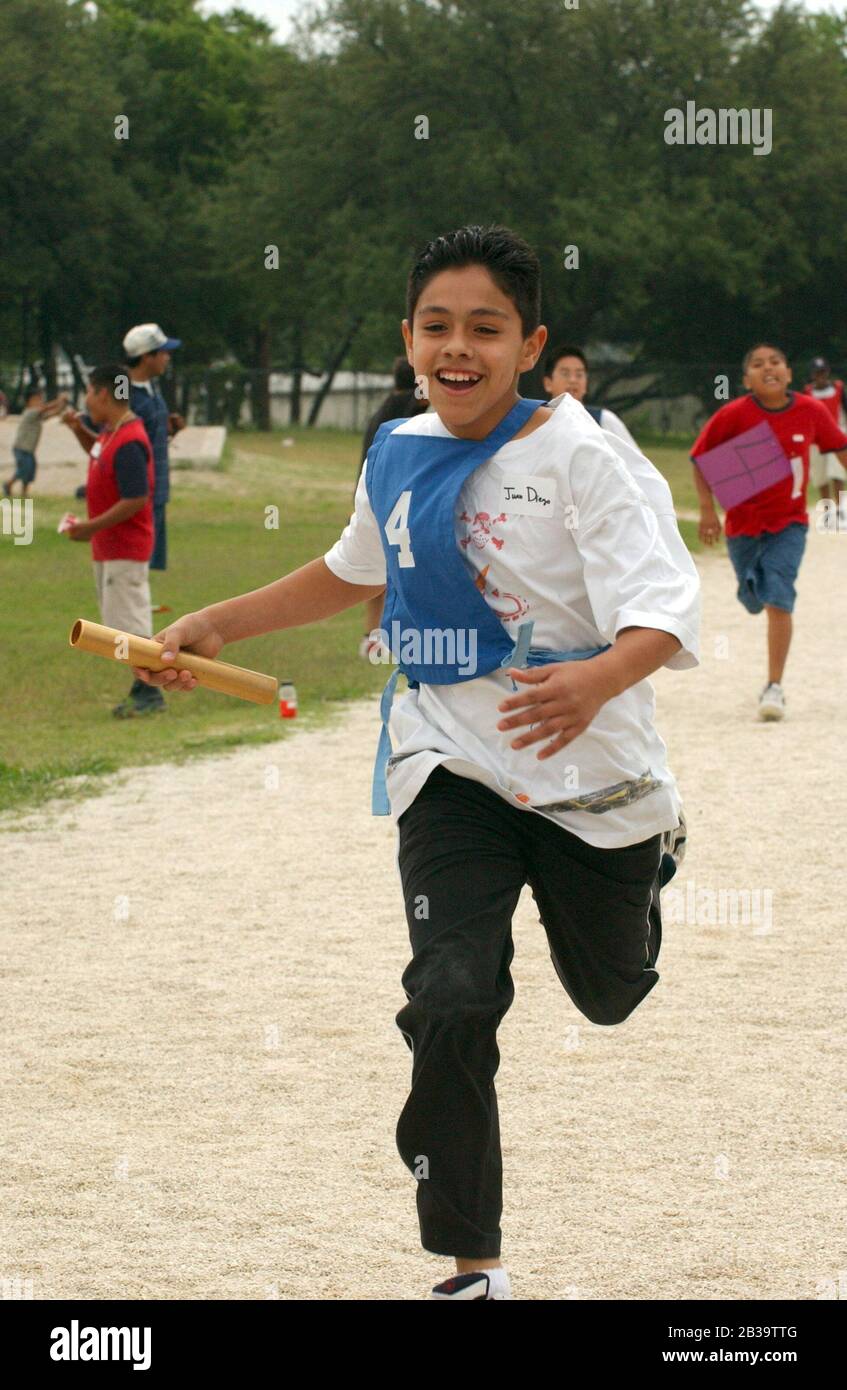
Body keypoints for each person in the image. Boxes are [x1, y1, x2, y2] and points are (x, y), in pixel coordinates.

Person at [129, 224, 700, 1300]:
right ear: (406, 339)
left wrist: (593, 680)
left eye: (485, 327)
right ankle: (470, 1264)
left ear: (529, 343)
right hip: (450, 765)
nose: (458, 346)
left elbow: (665, 610)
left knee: (611, 994)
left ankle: (653, 862)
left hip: (593, 779)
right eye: (436, 325)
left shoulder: (585, 457)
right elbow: (351, 570)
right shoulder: (396, 449)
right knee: (448, 998)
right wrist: (220, 620)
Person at [691, 342, 847, 722]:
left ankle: (774, 685)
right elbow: (699, 457)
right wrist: (709, 511)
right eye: (758, 365)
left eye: (776, 362)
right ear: (746, 379)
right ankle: (754, 592)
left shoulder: (810, 411)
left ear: (790, 374)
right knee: (754, 599)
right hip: (743, 526)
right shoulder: (734, 415)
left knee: (778, 596)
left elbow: (839, 447)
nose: (768, 368)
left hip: (788, 525)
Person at [64, 364, 164, 718]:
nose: (87, 399)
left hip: (125, 545)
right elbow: (97, 454)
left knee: (131, 622)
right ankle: (145, 688)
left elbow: (136, 497)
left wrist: (92, 526)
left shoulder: (130, 439)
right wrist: (79, 431)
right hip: (109, 546)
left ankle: (149, 692)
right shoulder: (110, 434)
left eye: (89, 391)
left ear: (103, 393)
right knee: (118, 621)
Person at [355, 356, 429, 659]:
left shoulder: (385, 408)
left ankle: (371, 636)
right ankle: (384, 636)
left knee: (377, 573)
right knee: (391, 572)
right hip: (392, 496)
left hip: (370, 492)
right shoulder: (407, 408)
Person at [542, 344, 639, 451]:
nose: (573, 380)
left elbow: (636, 465)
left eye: (579, 375)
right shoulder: (536, 422)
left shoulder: (604, 420)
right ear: (548, 383)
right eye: (565, 374)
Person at [3, 384, 67, 497]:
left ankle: (23, 492)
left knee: (30, 471)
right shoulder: (30, 412)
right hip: (22, 448)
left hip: (28, 449)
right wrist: (58, 400)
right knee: (23, 469)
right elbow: (45, 408)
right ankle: (8, 484)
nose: (40, 402)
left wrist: (62, 405)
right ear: (29, 402)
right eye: (37, 400)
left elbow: (52, 413)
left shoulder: (37, 415)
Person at [802, 356, 847, 511]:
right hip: (816, 441)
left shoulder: (839, 389)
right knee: (821, 478)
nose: (820, 376)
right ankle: (828, 511)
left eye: (822, 372)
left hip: (837, 437)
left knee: (837, 474)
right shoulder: (807, 393)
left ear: (827, 372)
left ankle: (841, 510)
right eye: (817, 373)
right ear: (812, 375)